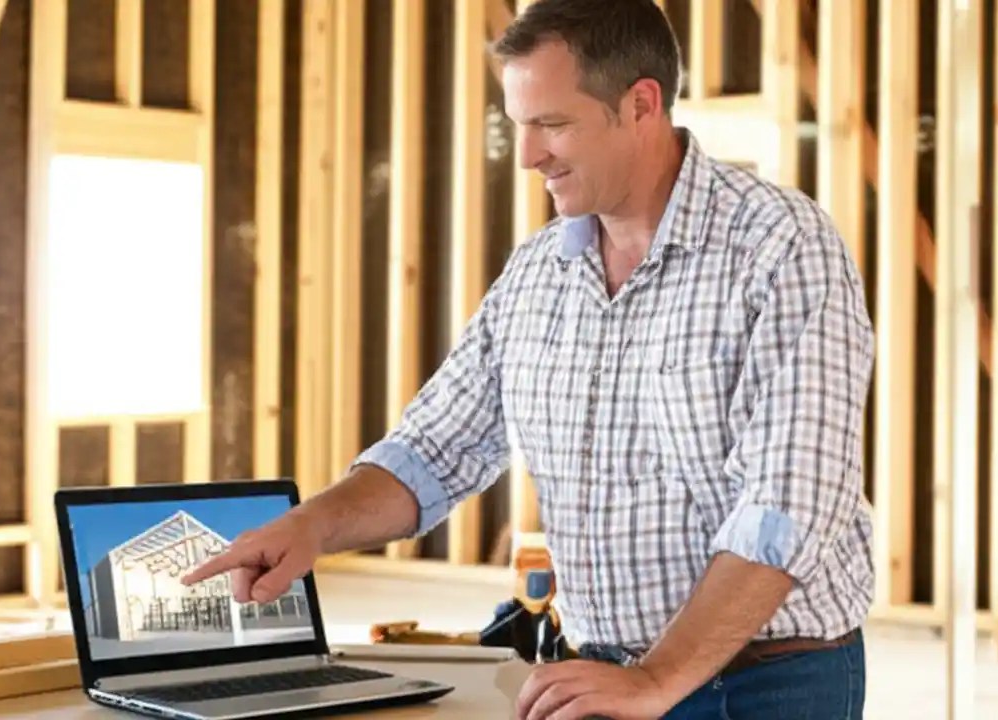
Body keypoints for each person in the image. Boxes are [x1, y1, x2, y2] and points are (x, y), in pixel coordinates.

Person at [183, 0, 875, 717]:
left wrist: (657, 678)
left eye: (553, 124)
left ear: (641, 105)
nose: (527, 155)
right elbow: (431, 452)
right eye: (519, 125)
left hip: (766, 684)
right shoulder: (540, 270)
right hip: (599, 675)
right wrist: (313, 527)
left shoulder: (780, 247)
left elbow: (786, 507)